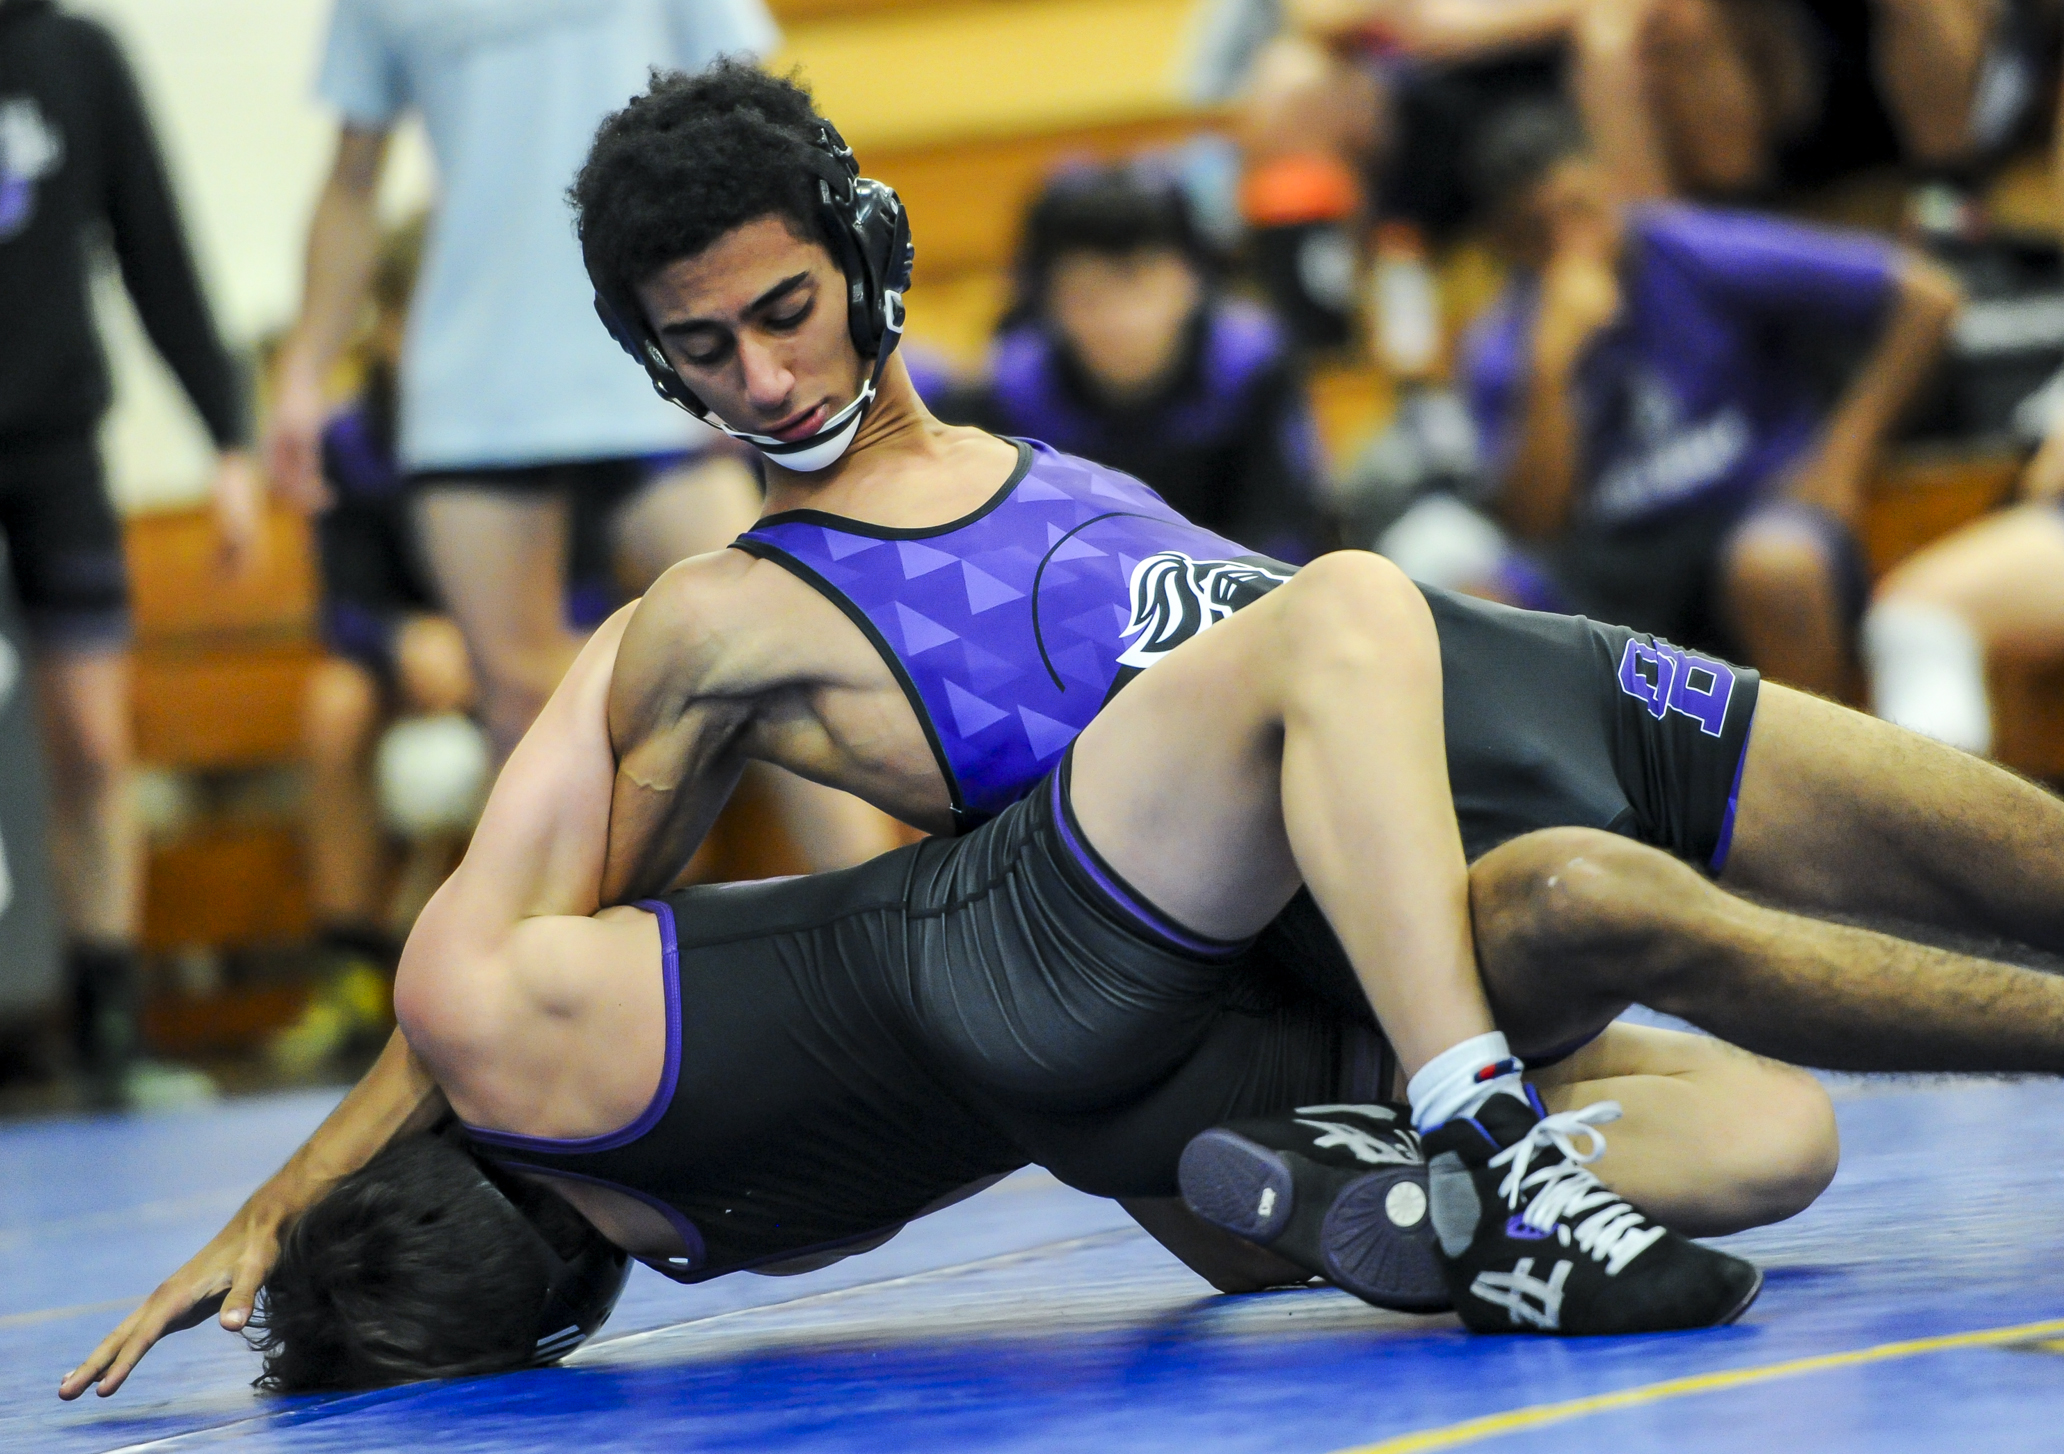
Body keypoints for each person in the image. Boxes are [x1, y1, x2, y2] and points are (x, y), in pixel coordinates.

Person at [67, 59, 2064, 1395]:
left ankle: (1443, 1188)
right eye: (703, 350)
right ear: (652, 363)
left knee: (2014, 858)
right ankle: (1470, 1159)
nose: (761, 378)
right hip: (1399, 902)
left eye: (783, 312)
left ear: (863, 261)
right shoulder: (730, 623)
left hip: (1499, 688)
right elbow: (498, 972)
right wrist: (296, 1199)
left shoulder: (1030, 422)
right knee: (1730, 1045)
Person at [81, 573, 1774, 1395]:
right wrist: (291, 1189)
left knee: (1770, 1133)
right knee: (1341, 617)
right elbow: (649, 643)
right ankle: (1460, 1110)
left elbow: (1008, 1118)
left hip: (1145, 1124)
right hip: (1043, 934)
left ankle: (1395, 1168)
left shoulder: (732, 1238)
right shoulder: (491, 1011)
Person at [261, 0, 893, 872]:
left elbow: (763, 123)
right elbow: (351, 183)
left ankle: (905, 971)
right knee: (522, 710)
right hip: (478, 386)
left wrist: (801, 317)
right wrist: (301, 372)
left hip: (652, 367)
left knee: (777, 663)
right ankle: (573, 992)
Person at [1382, 102, 1959, 700]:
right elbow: (1535, 525)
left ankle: (1817, 787)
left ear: (1607, 185)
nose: (1569, 242)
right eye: (1537, 231)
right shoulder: (1503, 344)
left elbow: (1927, 296)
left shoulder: (1694, 249)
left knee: (1776, 568)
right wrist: (1551, 371)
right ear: (1506, 244)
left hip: (1746, 512)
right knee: (1474, 598)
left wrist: (1842, 458)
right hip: (1612, 558)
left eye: (1580, 210)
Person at [0, 0, 264, 1102]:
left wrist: (230, 437)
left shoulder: (76, 55)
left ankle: (107, 1026)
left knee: (96, 747)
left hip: (56, 453)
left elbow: (155, 242)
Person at [937, 162, 1331, 562]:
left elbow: (1287, 534)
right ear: (1046, 300)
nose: (1119, 318)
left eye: (1139, 282)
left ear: (1192, 280)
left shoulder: (1253, 371)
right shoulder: (1005, 397)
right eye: (1087, 292)